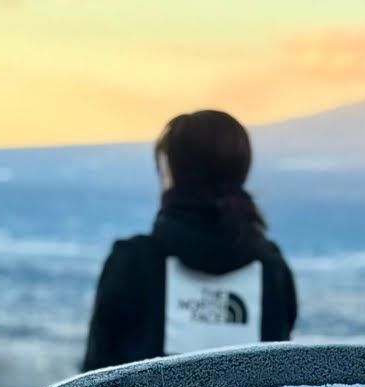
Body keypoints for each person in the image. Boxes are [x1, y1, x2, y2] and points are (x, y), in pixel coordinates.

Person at [82, 110, 297, 372]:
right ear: (242, 170)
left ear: (170, 174)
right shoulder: (271, 269)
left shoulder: (133, 263)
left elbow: (93, 383)